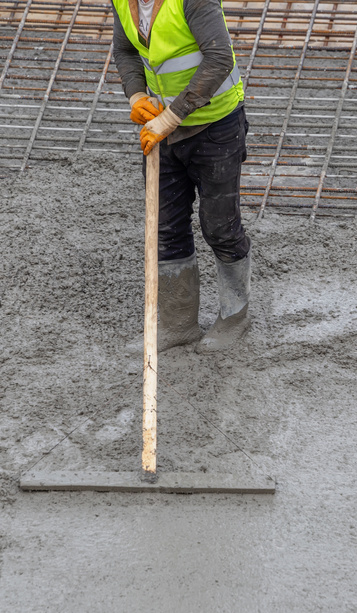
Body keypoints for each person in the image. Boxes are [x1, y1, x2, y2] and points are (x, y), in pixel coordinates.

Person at [111, 0, 252, 352]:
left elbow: (219, 58)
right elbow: (125, 50)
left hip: (215, 126)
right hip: (163, 130)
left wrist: (170, 117)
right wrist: (137, 95)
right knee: (165, 225)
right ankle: (178, 323)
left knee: (220, 227)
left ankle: (235, 317)